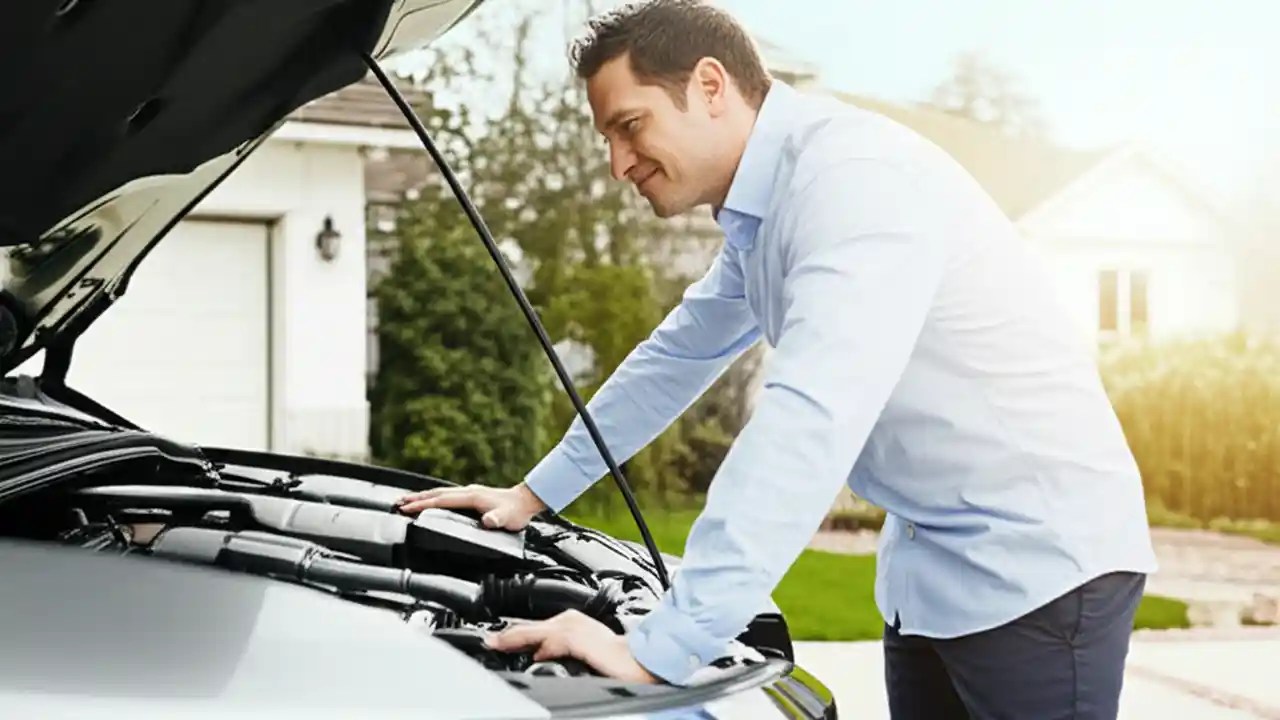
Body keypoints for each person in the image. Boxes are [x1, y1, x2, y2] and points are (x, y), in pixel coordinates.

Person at [398, 0, 1158, 716]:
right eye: (608, 138)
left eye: (630, 126)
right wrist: (531, 496)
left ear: (709, 85)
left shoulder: (854, 185)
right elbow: (675, 357)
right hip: (931, 573)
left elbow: (810, 420)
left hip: (1039, 571)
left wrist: (663, 649)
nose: (618, 164)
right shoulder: (766, 215)